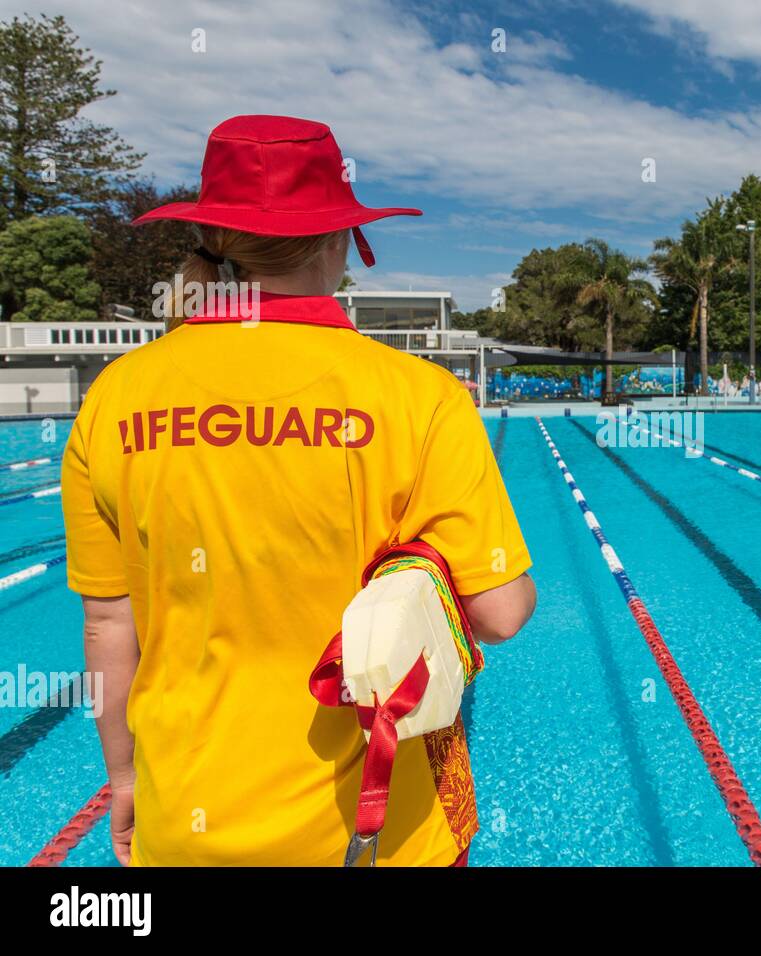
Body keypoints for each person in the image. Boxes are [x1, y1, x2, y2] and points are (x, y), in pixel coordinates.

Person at [61, 115, 536, 867]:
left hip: (183, 824)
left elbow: (110, 627)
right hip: (378, 835)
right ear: (338, 241)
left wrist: (122, 779)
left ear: (213, 239)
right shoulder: (418, 396)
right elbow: (501, 612)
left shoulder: (116, 398)